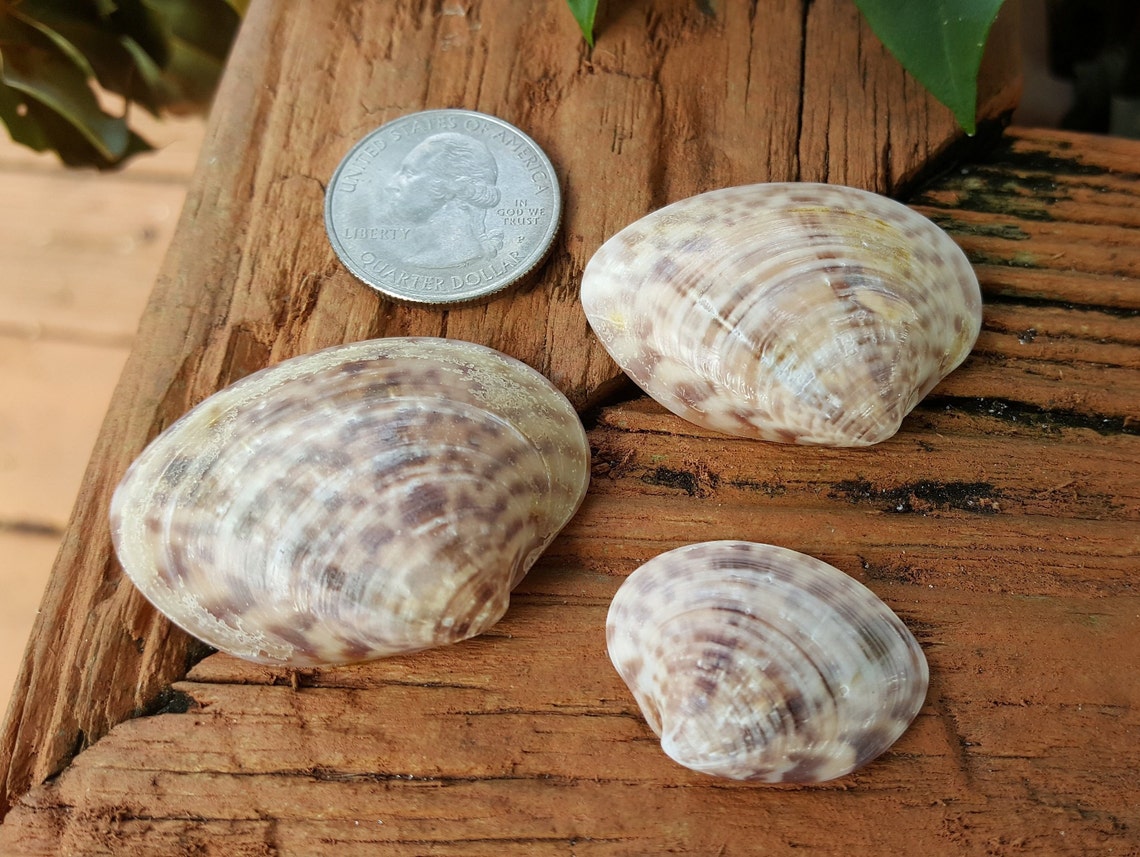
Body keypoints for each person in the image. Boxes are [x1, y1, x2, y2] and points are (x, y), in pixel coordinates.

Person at [379, 132, 505, 268]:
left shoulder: (429, 260)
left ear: (452, 185)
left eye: (409, 174)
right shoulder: (420, 256)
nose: (390, 185)